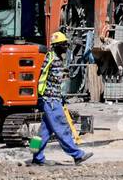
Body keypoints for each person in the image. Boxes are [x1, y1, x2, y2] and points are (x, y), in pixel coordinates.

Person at [31, 31, 92, 166]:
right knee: (62, 128)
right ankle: (77, 155)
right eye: (63, 45)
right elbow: (49, 79)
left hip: (50, 99)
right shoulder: (54, 59)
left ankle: (36, 156)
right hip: (52, 101)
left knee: (43, 132)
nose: (66, 47)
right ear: (57, 46)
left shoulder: (51, 57)